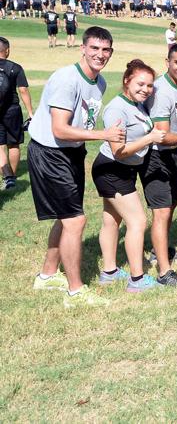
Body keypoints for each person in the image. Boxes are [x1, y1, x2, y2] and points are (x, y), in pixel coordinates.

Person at [29, 26, 124, 307]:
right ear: (82, 48)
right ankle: (75, 290)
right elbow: (60, 129)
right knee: (75, 220)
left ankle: (47, 275)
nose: (100, 55)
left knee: (67, 217)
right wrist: (103, 135)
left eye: (106, 50)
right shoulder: (66, 80)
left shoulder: (100, 83)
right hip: (50, 153)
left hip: (72, 154)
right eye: (94, 48)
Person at [92, 60, 167, 292]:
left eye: (149, 85)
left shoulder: (137, 104)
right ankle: (137, 279)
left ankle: (110, 271)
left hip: (123, 169)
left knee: (111, 220)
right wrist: (149, 138)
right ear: (127, 81)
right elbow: (119, 150)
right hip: (112, 168)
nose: (145, 89)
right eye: (140, 84)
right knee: (138, 221)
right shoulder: (117, 108)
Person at [140, 43, 177, 286]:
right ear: (167, 63)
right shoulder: (161, 91)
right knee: (162, 211)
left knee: (172, 204)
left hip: (171, 153)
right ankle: (165, 273)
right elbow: (161, 134)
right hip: (155, 154)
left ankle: (159, 249)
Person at [0, 37, 33, 190]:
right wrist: (30, 112)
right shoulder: (15, 67)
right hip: (12, 110)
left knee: (0, 146)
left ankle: (5, 175)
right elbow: (23, 90)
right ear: (7, 50)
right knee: (13, 144)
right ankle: (12, 175)